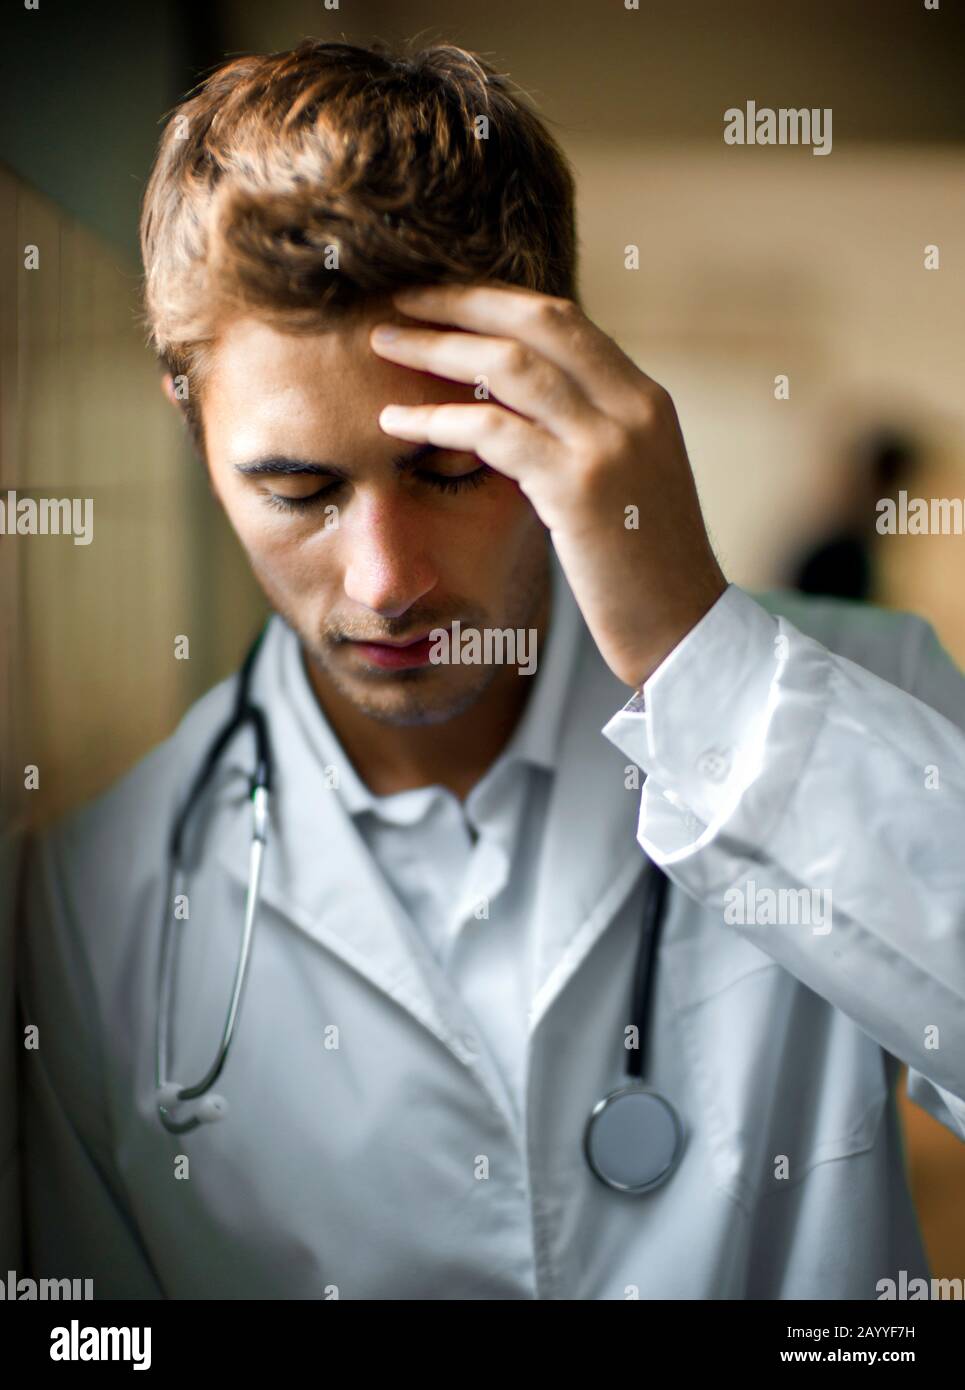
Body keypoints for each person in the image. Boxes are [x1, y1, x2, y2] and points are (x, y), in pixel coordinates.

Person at [15, 38, 965, 1301]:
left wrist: (699, 657)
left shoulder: (868, 692)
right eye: (297, 489)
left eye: (450, 470)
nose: (383, 580)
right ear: (195, 437)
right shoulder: (84, 909)